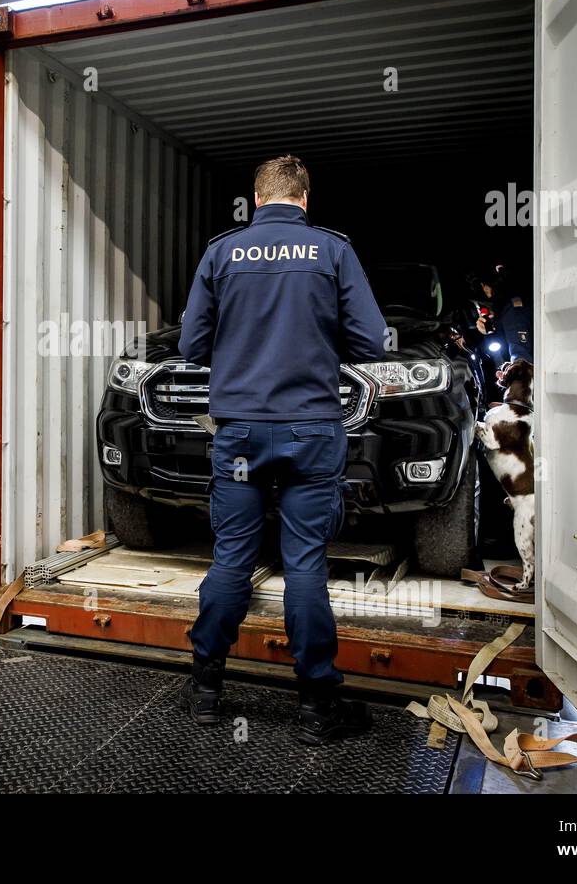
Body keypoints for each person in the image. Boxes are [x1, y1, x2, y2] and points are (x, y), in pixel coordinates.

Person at [178, 154, 387, 745]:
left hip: (241, 431)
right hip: (309, 432)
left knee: (232, 559)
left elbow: (193, 344)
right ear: (304, 199)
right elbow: (370, 343)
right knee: (304, 567)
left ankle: (206, 691)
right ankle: (318, 707)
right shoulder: (332, 250)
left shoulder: (222, 252)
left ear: (256, 198)